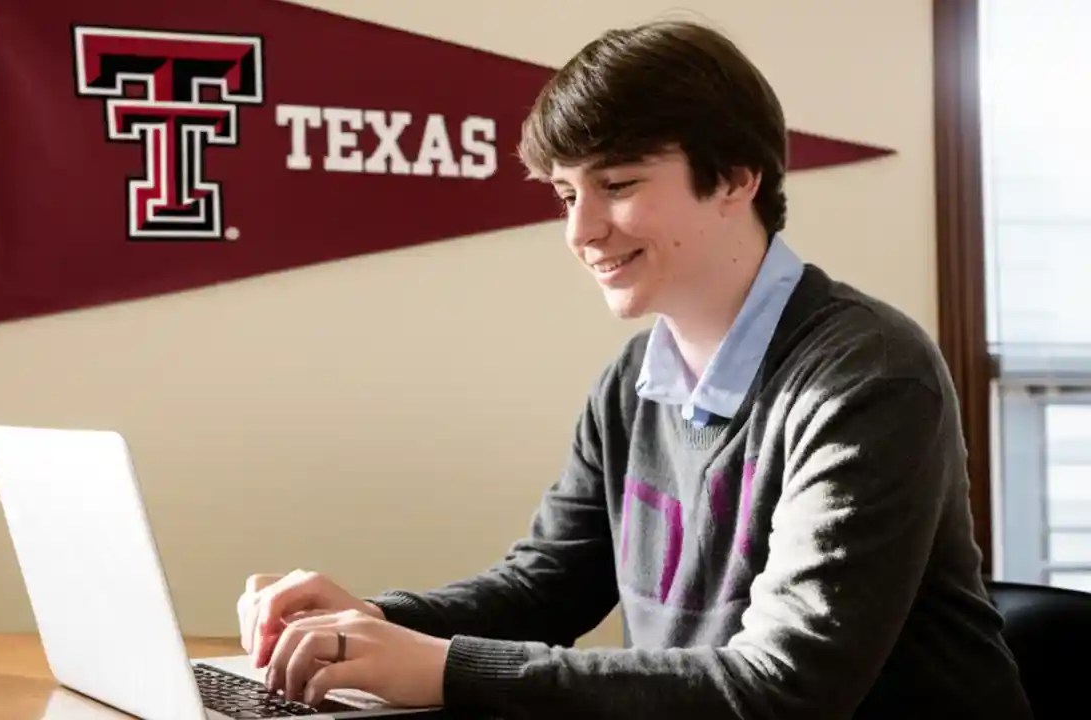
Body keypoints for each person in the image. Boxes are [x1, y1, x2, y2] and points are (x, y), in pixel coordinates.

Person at [235, 18, 1034, 719]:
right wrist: (370, 623)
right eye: (562, 194)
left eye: (616, 185)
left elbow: (785, 689)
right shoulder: (631, 383)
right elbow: (548, 588)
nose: (582, 230)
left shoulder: (870, 376)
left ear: (734, 178)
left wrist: (443, 669)